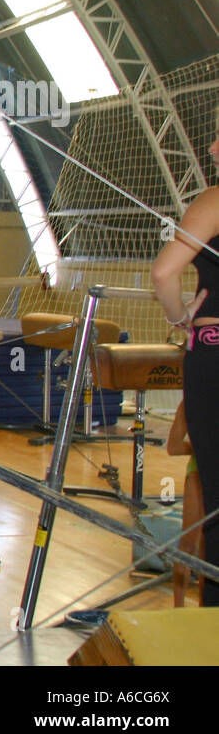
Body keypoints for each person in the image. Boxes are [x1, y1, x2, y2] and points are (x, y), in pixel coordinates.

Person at [151, 108, 219, 606]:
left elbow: (163, 274)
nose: (212, 150)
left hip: (213, 350)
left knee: (214, 491)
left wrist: (179, 317)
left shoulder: (214, 201)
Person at [164, 405, 204, 607]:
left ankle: (206, 608)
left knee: (208, 549)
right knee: (189, 544)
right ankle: (178, 609)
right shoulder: (189, 405)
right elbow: (173, 447)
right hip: (199, 474)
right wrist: (204, 448)